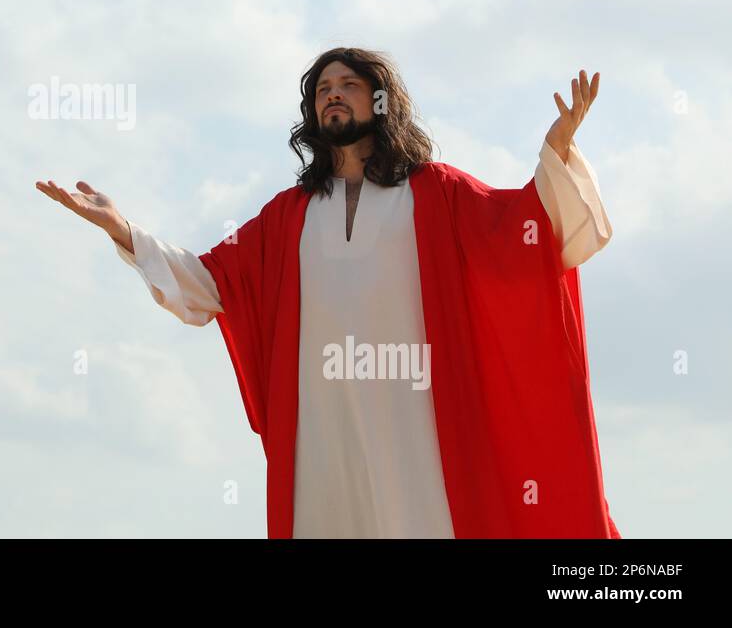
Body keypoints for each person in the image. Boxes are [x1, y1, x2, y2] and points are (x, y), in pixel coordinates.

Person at [35, 47, 620, 538]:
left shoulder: (437, 192)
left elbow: (519, 232)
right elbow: (210, 284)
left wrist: (557, 154)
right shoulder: (288, 216)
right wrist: (126, 232)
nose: (332, 94)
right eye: (321, 89)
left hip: (417, 417)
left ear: (383, 100)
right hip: (321, 424)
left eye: (348, 84)